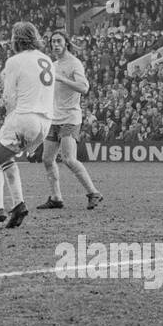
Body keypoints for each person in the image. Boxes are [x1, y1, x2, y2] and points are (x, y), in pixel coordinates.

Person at [0, 22, 54, 231]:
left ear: (17, 39)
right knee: (6, 158)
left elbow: (9, 98)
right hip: (45, 122)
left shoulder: (14, 61)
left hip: (24, 117)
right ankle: (19, 206)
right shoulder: (47, 60)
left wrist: (10, 121)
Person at [37, 30, 103, 210]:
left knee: (68, 159)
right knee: (47, 159)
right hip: (53, 117)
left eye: (58, 41)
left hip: (70, 117)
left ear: (66, 42)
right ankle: (56, 198)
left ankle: (93, 192)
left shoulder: (74, 63)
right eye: (52, 42)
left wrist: (62, 79)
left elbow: (84, 87)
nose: (55, 45)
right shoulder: (51, 64)